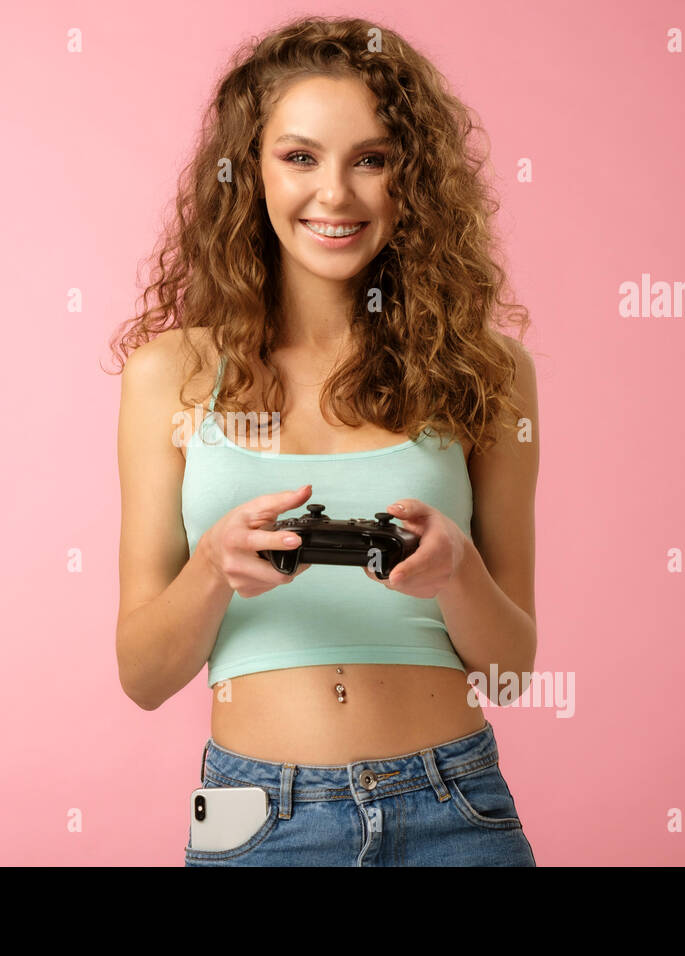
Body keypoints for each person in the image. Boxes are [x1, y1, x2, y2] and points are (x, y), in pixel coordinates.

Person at [109, 15, 540, 866]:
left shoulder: (486, 371)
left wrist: (457, 574)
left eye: (371, 159)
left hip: (455, 808)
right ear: (250, 171)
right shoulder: (171, 375)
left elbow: (514, 667)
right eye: (299, 157)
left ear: (410, 180)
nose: (335, 196)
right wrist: (212, 569)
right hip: (252, 815)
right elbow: (143, 676)